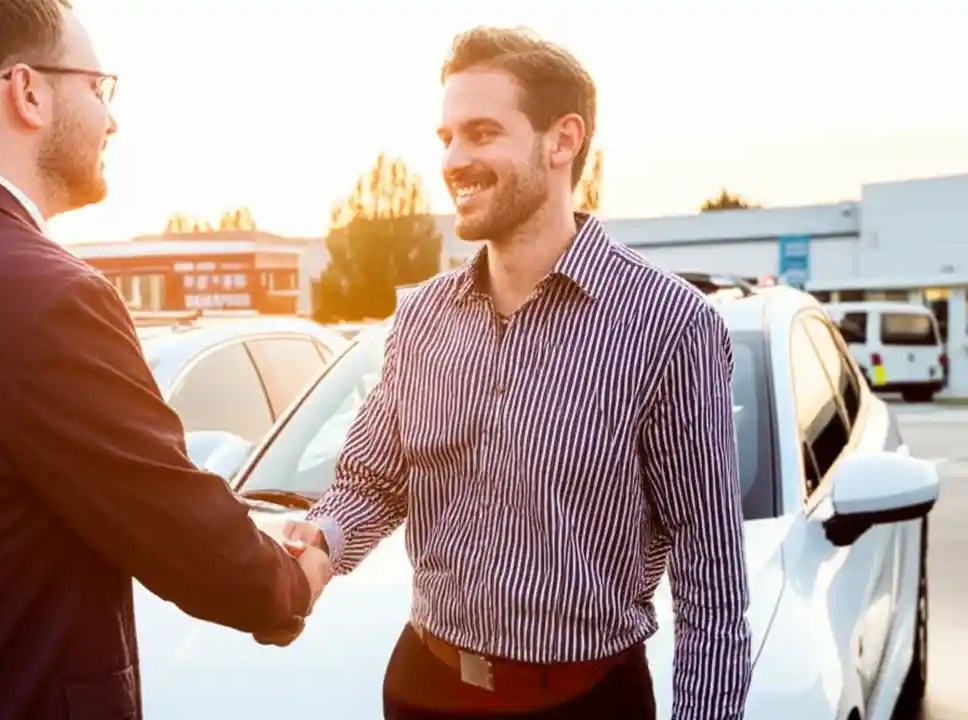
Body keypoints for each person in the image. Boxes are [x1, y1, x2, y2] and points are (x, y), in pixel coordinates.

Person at [0, 1, 330, 718]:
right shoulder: (45, 292)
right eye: (99, 87)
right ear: (28, 91)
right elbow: (182, 536)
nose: (112, 119)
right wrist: (293, 578)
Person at [283, 26, 752, 719]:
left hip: (584, 702)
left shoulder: (669, 324)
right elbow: (371, 481)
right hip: (423, 689)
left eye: (480, 133)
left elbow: (708, 575)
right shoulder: (420, 318)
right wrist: (320, 545)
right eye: (445, 137)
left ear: (562, 141)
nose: (453, 160)